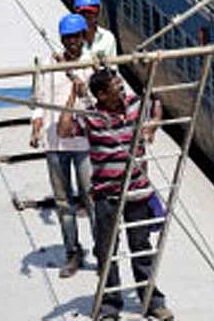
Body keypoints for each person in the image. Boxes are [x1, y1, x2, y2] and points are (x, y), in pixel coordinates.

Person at [58, 69, 173, 321]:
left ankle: (151, 299)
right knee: (106, 250)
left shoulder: (133, 105)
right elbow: (64, 131)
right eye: (116, 87)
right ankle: (110, 304)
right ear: (101, 94)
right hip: (107, 196)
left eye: (121, 85)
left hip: (137, 193)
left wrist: (153, 124)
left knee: (141, 247)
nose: (122, 90)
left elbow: (156, 107)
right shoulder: (92, 117)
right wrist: (72, 98)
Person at [31, 13, 96, 278]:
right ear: (62, 39)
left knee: (90, 197)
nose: (72, 43)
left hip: (82, 142)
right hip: (54, 142)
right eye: (68, 38)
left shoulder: (93, 65)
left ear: (83, 38)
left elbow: (98, 104)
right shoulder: (48, 64)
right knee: (63, 201)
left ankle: (102, 251)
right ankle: (72, 251)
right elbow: (39, 99)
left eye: (77, 38)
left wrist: (86, 93)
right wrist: (36, 125)